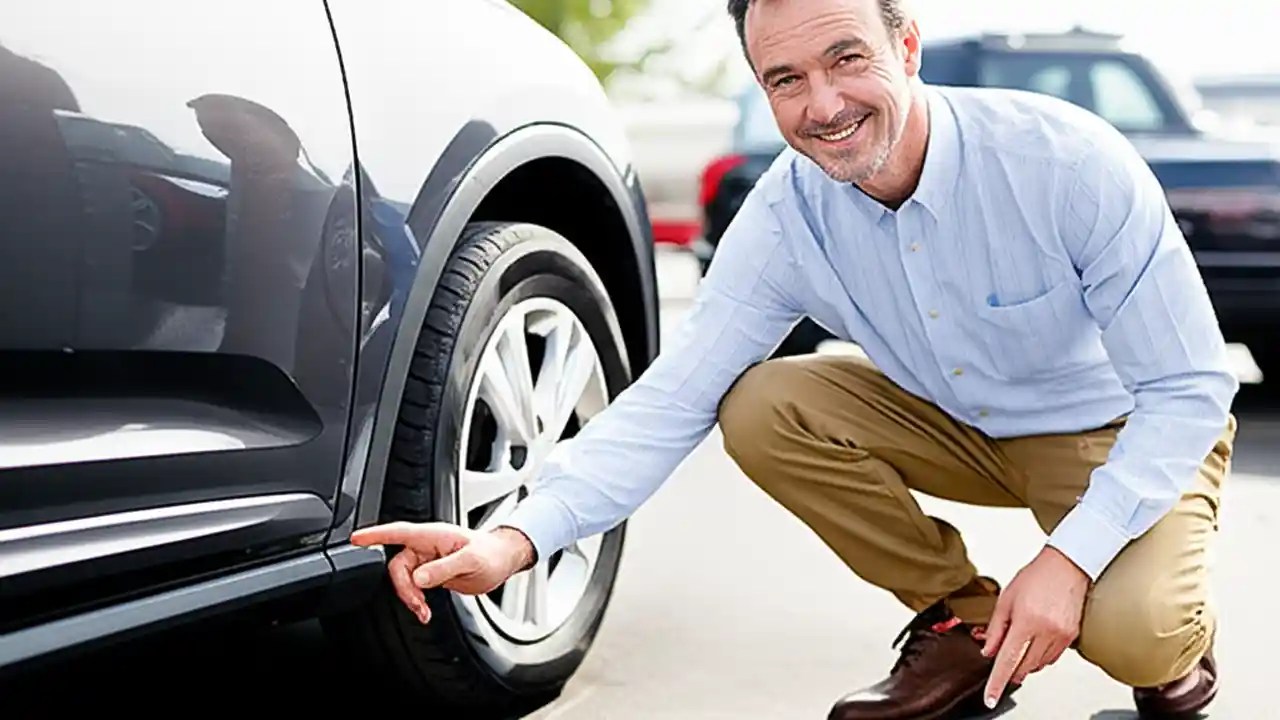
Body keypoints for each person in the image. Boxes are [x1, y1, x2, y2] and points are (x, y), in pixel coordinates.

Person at [351, 0, 1238, 717]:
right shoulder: (784, 217)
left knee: (1134, 636)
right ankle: (958, 624)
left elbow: (1191, 388)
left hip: (1120, 432)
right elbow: (676, 395)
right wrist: (515, 538)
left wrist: (1071, 561)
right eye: (786, 79)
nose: (822, 105)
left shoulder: (1067, 164)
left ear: (909, 47)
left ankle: (1173, 641)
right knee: (762, 402)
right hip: (954, 425)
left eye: (848, 59)